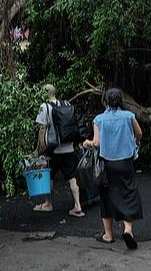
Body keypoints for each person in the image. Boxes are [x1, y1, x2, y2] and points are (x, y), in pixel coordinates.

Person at [83, 88, 143, 249]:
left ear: (107, 102)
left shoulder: (99, 119)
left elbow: (96, 143)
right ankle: (128, 230)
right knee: (129, 192)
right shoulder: (129, 116)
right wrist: (134, 142)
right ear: (121, 101)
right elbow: (139, 133)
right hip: (125, 162)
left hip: (107, 164)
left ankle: (108, 235)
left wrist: (86, 143)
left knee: (106, 196)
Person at [34, 83, 84, 217]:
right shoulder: (66, 104)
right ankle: (78, 206)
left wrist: (38, 150)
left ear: (44, 94)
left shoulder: (44, 106)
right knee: (71, 176)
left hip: (54, 148)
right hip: (69, 147)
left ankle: (48, 203)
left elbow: (42, 130)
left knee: (48, 176)